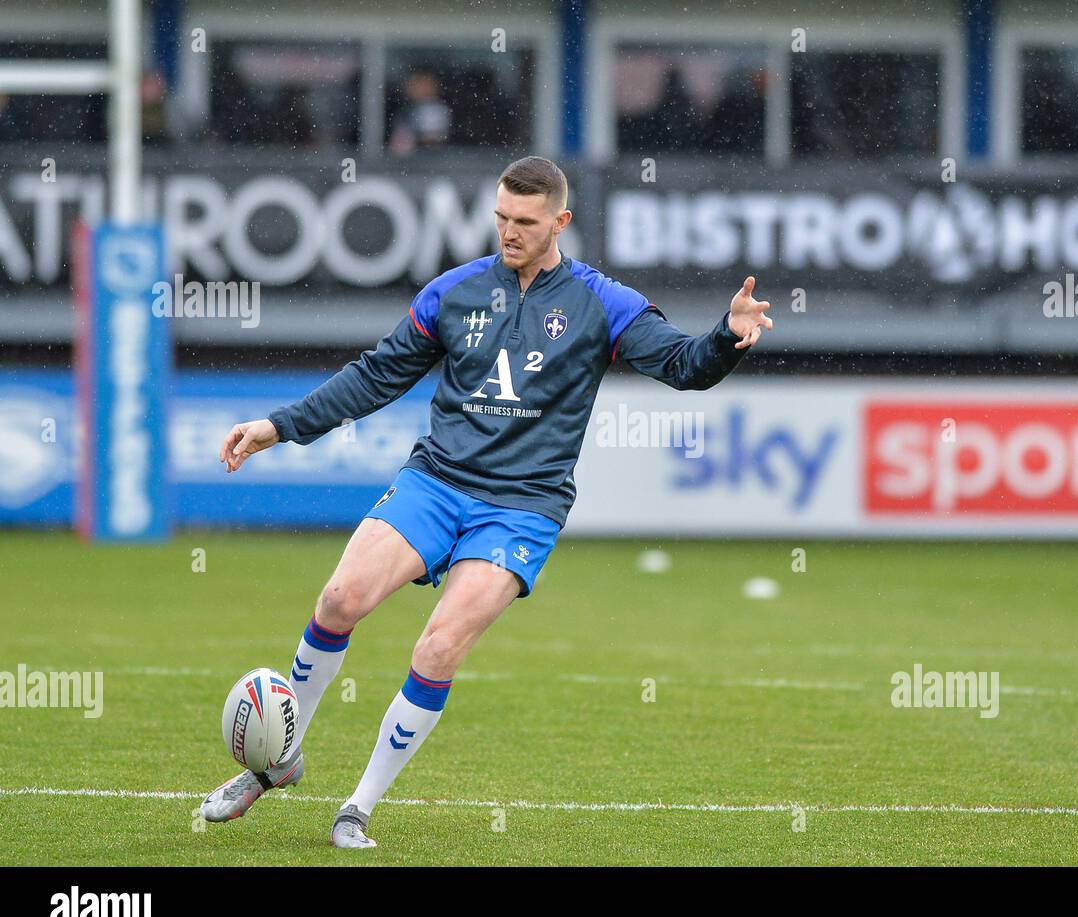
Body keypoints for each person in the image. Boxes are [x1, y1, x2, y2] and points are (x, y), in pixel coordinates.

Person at [198, 155, 774, 847]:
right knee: (338, 601)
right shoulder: (454, 292)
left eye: (525, 222)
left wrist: (726, 336)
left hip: (522, 507)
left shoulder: (602, 302)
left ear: (560, 221)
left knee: (438, 647)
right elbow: (375, 377)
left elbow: (684, 365)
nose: (509, 232)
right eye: (501, 217)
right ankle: (277, 760)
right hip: (436, 481)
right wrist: (278, 426)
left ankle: (358, 807)